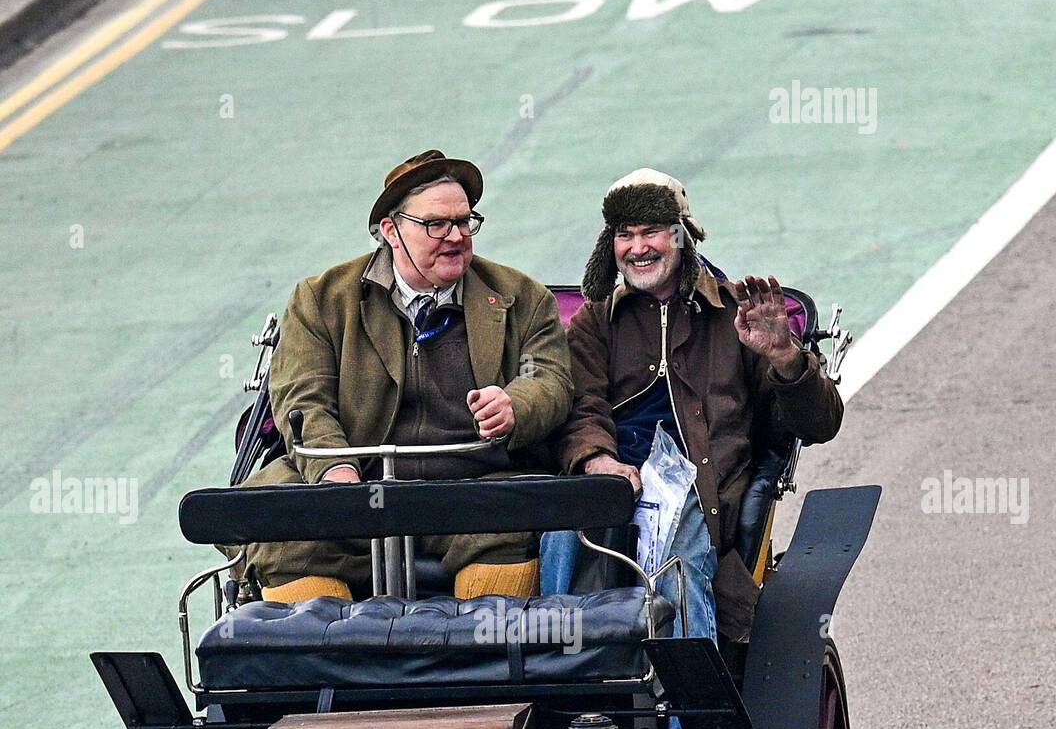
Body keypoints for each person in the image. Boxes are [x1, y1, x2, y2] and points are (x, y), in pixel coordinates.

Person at [234, 150, 573, 602]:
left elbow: (551, 380)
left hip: (475, 489)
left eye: (464, 222)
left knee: (511, 526)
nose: (455, 237)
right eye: (437, 224)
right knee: (283, 533)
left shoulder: (522, 297)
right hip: (356, 490)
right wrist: (336, 471)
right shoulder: (320, 299)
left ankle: (484, 665)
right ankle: (334, 663)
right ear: (392, 231)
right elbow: (302, 398)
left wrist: (516, 405)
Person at [545, 168, 844, 654]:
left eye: (651, 232)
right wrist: (597, 459)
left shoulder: (735, 314)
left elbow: (818, 424)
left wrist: (786, 357)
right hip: (614, 483)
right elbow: (581, 407)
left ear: (681, 236)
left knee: (677, 536)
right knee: (564, 518)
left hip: (702, 497)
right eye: (625, 234)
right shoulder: (596, 321)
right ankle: (559, 678)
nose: (637, 247)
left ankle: (689, 726)